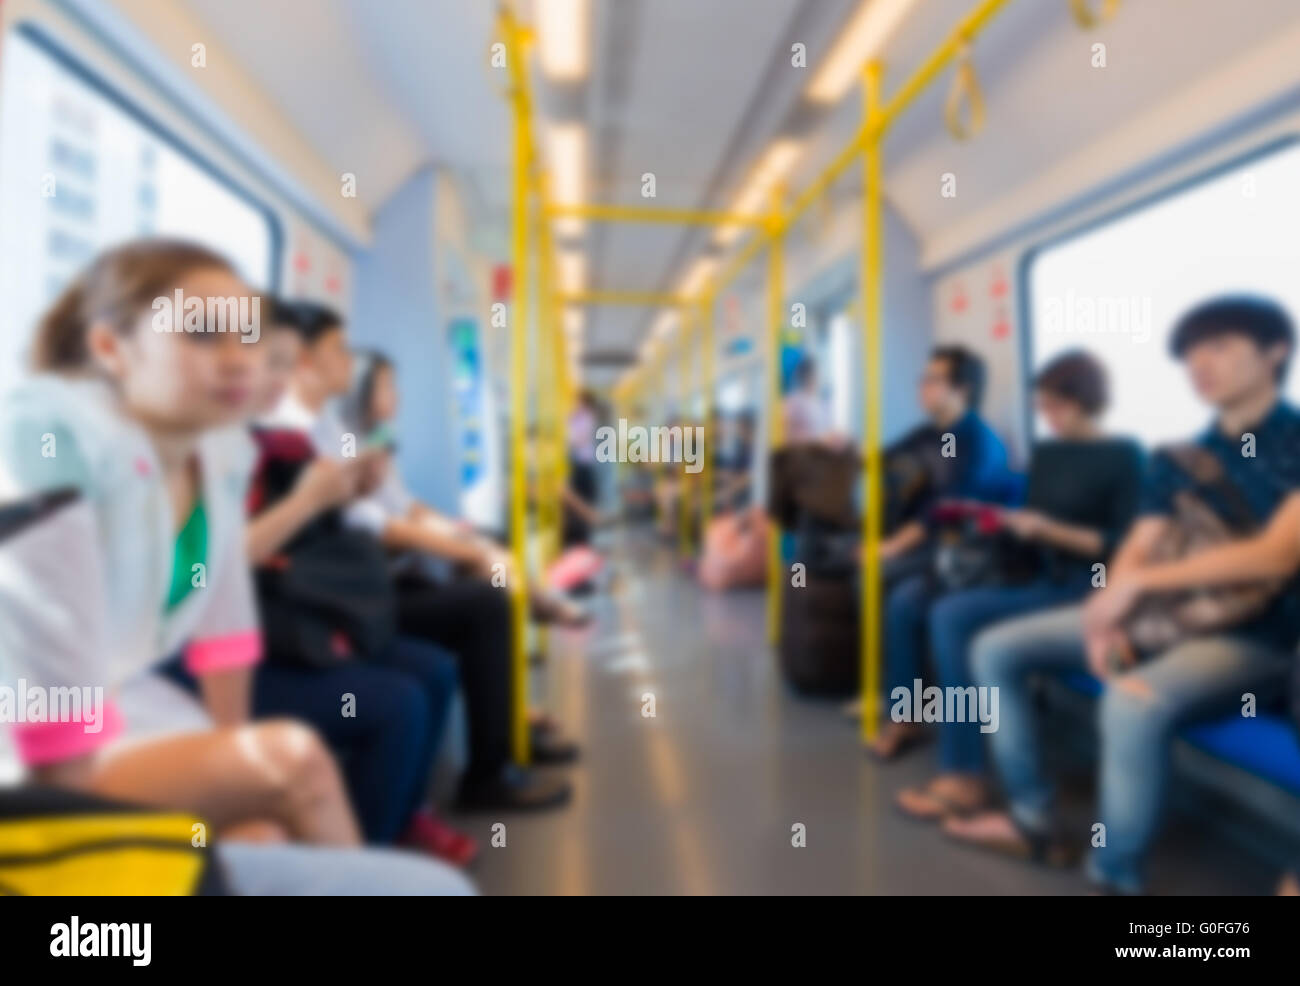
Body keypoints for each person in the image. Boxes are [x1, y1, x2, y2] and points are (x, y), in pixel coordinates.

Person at [0, 239, 473, 894]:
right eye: (201, 337)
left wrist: (236, 788)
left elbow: (225, 635)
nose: (237, 361)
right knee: (292, 763)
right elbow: (52, 710)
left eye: (247, 339)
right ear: (111, 349)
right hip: (26, 754)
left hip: (124, 710)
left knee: (266, 820)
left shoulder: (217, 457)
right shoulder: (49, 448)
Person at [945, 296, 1300, 895]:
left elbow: (1276, 554)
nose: (1199, 365)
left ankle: (1115, 874)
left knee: (1131, 703)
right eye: (1189, 354)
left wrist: (1137, 585)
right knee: (995, 647)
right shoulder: (1185, 455)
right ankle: (1032, 818)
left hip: (1254, 636)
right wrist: (1108, 609)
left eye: (1219, 347)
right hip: (1168, 617)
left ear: (1275, 353)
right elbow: (1139, 541)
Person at [163, 302, 477, 864]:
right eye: (265, 361)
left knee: (432, 669)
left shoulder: (282, 443)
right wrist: (311, 502)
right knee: (396, 703)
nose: (269, 378)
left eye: (279, 363)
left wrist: (341, 496)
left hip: (272, 625)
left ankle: (400, 822)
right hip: (217, 652)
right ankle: (360, 861)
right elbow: (200, 576)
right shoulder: (196, 454)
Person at [264, 303, 573, 810]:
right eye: (338, 350)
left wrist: (465, 541)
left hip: (366, 576)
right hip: (341, 595)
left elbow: (392, 507)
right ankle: (491, 766)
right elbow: (372, 522)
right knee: (484, 603)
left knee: (484, 582)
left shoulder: (334, 432)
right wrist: (465, 550)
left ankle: (510, 729)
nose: (348, 361)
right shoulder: (295, 434)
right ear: (305, 360)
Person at [887, 352, 1142, 817]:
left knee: (951, 617)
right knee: (942, 608)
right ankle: (950, 756)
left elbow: (1126, 545)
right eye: (1041, 404)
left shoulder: (1125, 457)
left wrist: (1048, 530)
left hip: (1091, 587)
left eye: (1054, 404)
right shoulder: (1048, 453)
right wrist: (1002, 523)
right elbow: (1032, 526)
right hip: (1039, 576)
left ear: (1084, 401)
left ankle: (965, 772)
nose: (1046, 414)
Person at [865, 345, 1015, 743]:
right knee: (864, 570)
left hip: (969, 555)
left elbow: (947, 511)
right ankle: (894, 694)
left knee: (894, 591)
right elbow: (882, 461)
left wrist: (893, 546)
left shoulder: (977, 443)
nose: (922, 387)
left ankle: (907, 712)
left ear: (961, 389)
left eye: (932, 380)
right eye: (923, 379)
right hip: (935, 545)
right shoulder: (930, 434)